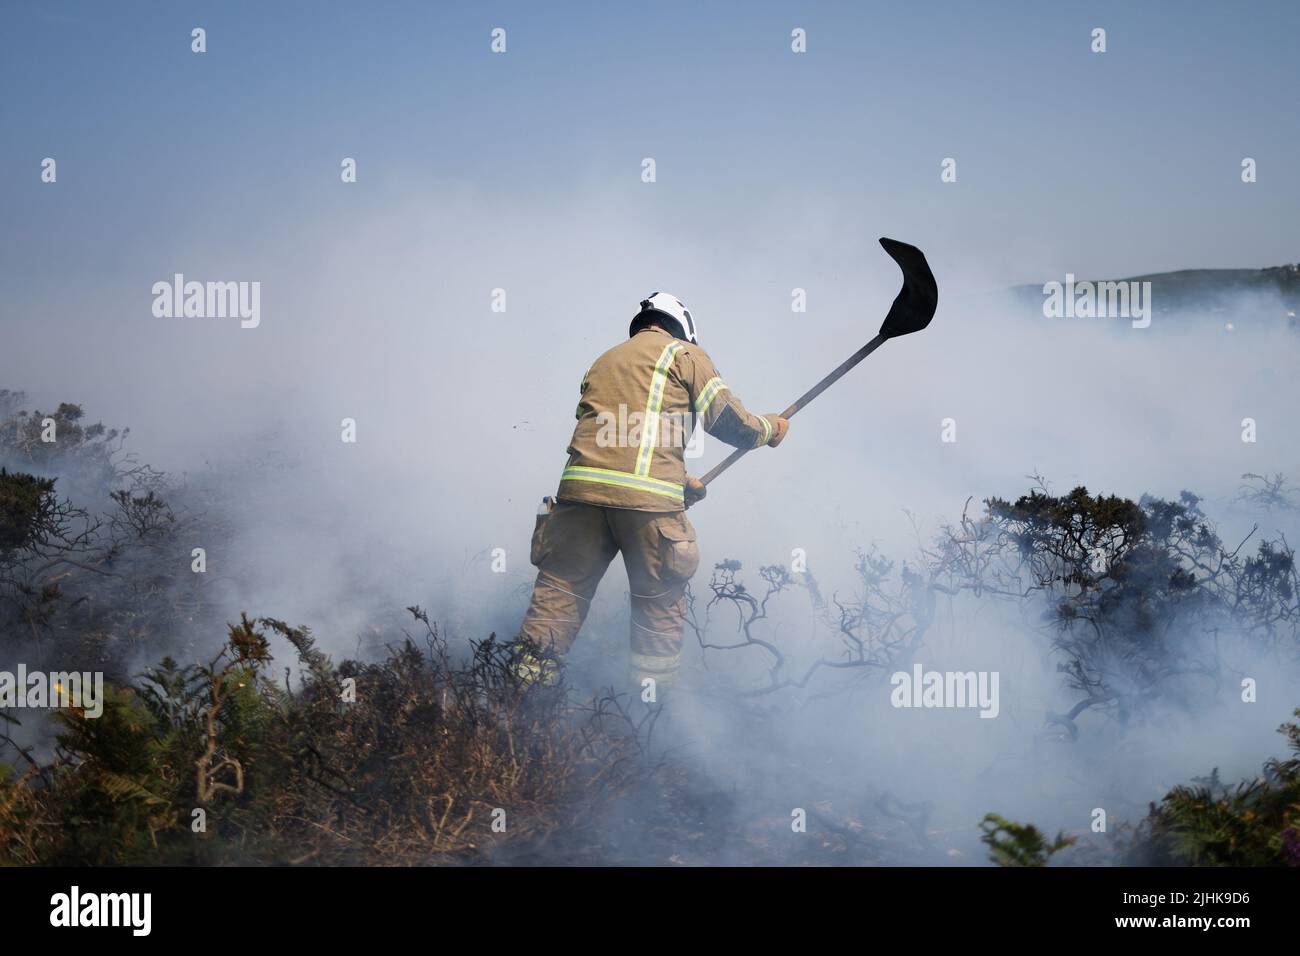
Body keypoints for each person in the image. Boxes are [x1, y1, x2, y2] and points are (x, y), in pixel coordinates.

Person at [516, 292, 789, 691]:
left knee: (556, 601)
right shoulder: (684, 356)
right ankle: (648, 715)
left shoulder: (605, 359)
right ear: (684, 330)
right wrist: (771, 429)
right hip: (647, 511)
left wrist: (675, 484)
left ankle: (514, 704)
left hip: (578, 500)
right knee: (656, 612)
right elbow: (731, 423)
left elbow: (614, 439)